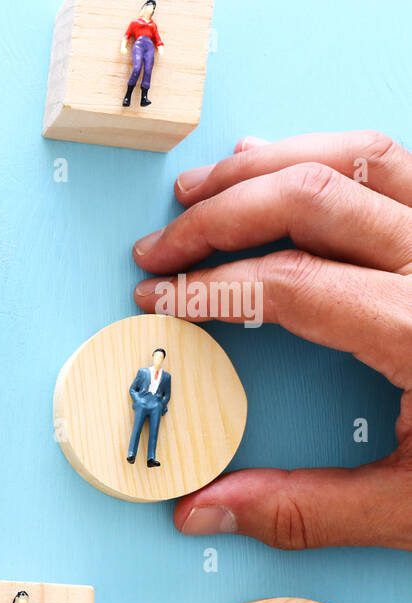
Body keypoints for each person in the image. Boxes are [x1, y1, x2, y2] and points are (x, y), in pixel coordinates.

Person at [132, 130, 412, 551]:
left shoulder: (164, 377)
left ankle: (147, 452)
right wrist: (143, 400)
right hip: (141, 408)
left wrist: (158, 402)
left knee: (153, 439)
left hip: (158, 410)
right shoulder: (141, 373)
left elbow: (165, 393)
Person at [126, 348, 172, 468]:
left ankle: (151, 458)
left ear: (163, 360)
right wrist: (139, 400)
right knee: (137, 428)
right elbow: (132, 389)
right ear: (152, 357)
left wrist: (161, 404)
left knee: (154, 431)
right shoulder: (143, 372)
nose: (158, 359)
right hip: (143, 402)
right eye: (156, 356)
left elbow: (167, 394)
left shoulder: (167, 377)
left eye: (161, 357)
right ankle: (131, 453)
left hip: (155, 405)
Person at [120, 1, 162, 108]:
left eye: (152, 8)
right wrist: (123, 46)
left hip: (149, 47)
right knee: (136, 68)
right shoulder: (135, 23)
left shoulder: (153, 25)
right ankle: (127, 96)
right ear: (143, 8)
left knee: (148, 70)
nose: (150, 9)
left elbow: (157, 38)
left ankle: (144, 97)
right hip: (138, 45)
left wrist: (160, 46)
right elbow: (127, 35)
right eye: (149, 6)